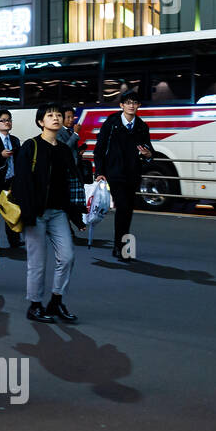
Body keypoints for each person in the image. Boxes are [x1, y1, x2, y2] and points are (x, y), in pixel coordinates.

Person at [10, 104, 84, 324]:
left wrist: (76, 217)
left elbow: (71, 184)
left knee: (68, 256)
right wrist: (28, 214)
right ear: (41, 121)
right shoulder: (30, 146)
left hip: (58, 212)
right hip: (36, 213)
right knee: (37, 261)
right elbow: (21, 182)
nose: (56, 118)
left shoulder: (63, 150)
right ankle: (35, 305)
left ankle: (56, 301)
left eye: (59, 115)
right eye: (50, 115)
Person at [93, 90, 154, 262]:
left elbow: (149, 150)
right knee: (123, 207)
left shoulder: (142, 126)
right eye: (128, 102)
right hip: (115, 173)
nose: (131, 105)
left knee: (127, 210)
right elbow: (100, 149)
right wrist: (99, 171)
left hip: (133, 174)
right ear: (122, 105)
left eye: (135, 103)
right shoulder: (111, 123)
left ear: (139, 106)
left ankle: (120, 245)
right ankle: (120, 247)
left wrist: (148, 154)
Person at [0, 109, 24, 249]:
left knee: (12, 211)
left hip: (11, 180)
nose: (7, 122)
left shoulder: (14, 140)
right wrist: (0, 156)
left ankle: (14, 241)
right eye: (3, 120)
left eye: (9, 120)